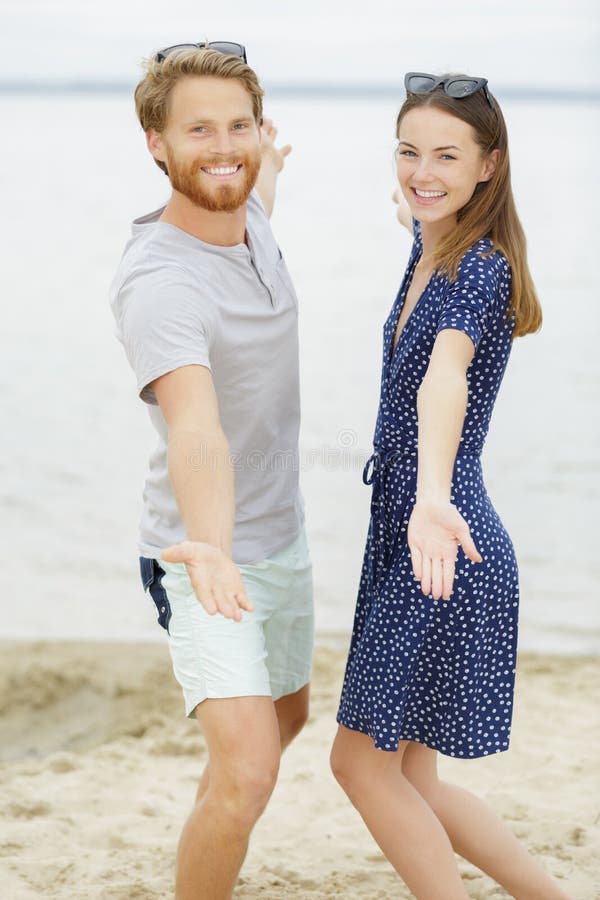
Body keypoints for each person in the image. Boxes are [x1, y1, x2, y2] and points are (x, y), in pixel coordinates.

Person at [330, 73, 571, 899]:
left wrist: (432, 496)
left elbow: (446, 376)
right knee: (411, 779)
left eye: (446, 156)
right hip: (419, 533)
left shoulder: (478, 269)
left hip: (441, 540)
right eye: (407, 151)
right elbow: (410, 210)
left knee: (359, 764)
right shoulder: (432, 242)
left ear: (488, 167)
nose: (421, 172)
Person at [110, 44, 313, 900]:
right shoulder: (161, 283)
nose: (222, 147)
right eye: (199, 130)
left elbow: (253, 191)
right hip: (204, 555)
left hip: (283, 536)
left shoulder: (249, 220)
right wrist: (214, 547)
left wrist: (267, 165)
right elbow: (194, 424)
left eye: (239, 127)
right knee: (249, 776)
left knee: (284, 720)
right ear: (156, 142)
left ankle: (209, 839)